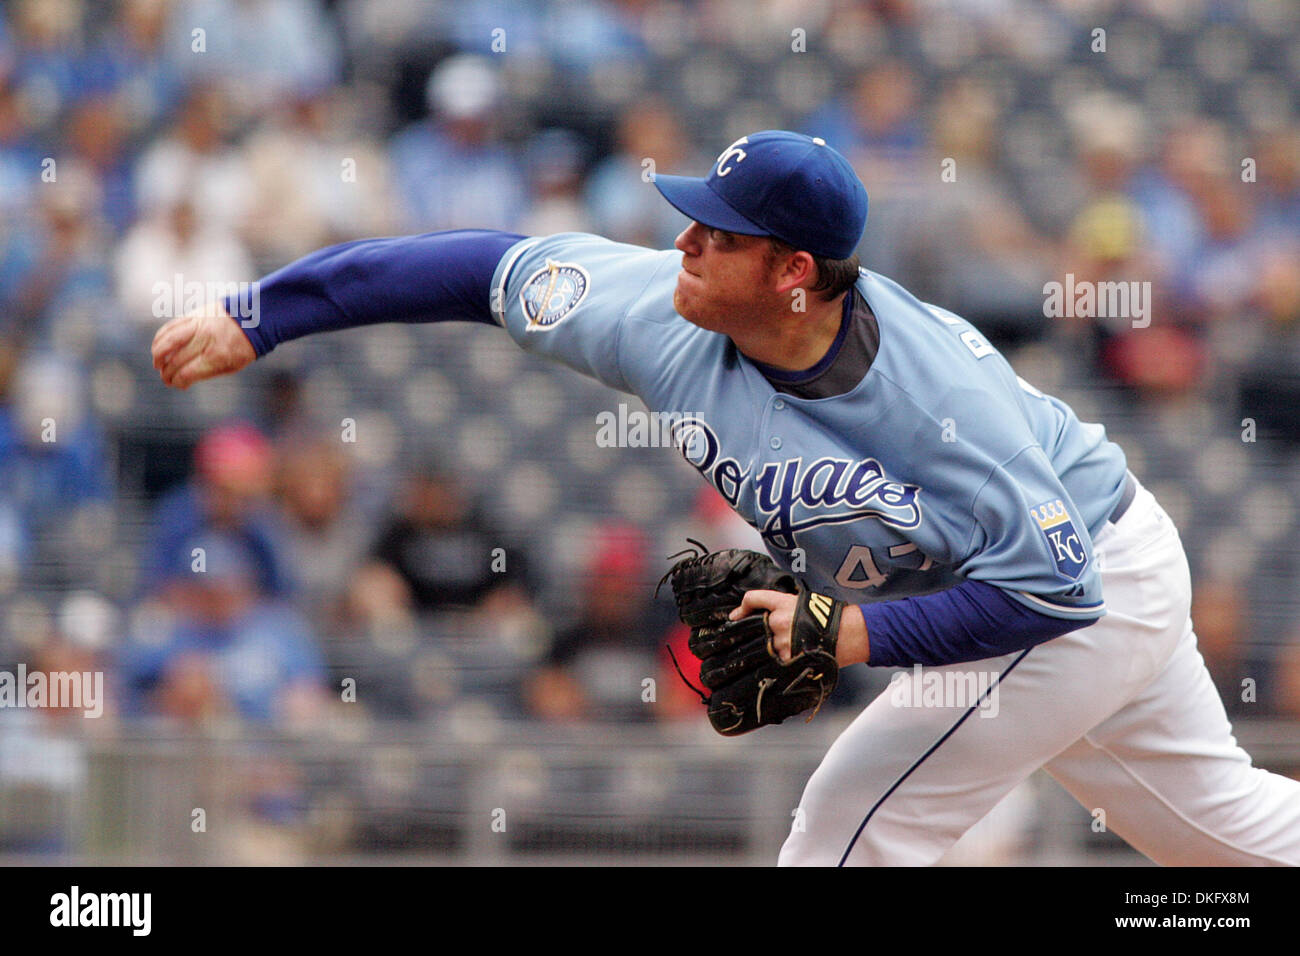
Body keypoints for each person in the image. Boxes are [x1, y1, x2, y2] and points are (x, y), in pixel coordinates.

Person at [150, 129, 1300, 866]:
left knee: (848, 829)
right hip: (1070, 570)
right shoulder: (659, 309)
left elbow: (1055, 592)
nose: (683, 239)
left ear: (793, 273)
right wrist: (260, 316)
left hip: (1078, 582)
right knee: (1226, 835)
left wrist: (849, 629)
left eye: (718, 230)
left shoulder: (932, 399)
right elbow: (468, 267)